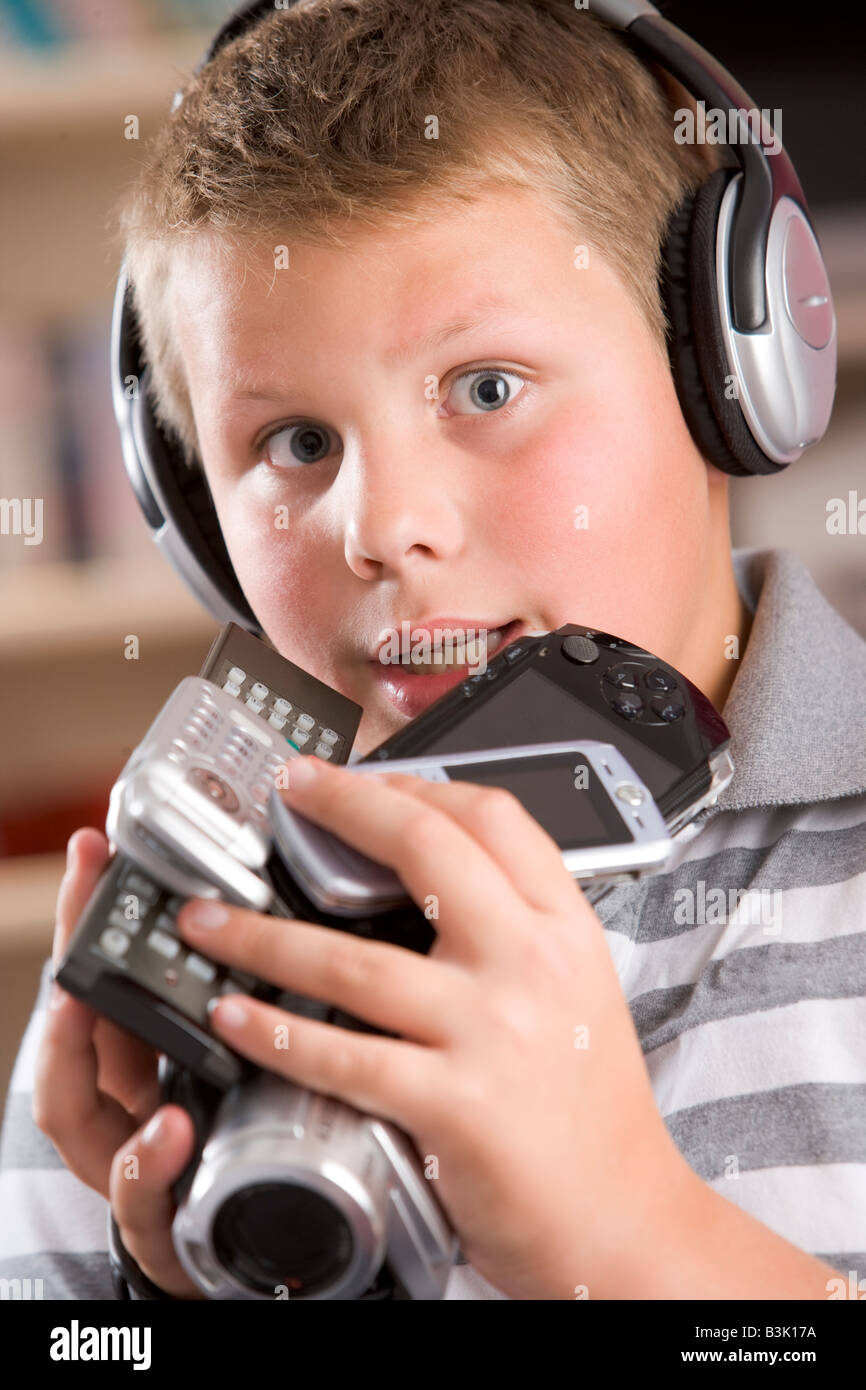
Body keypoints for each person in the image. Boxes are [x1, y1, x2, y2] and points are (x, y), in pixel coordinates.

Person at [1, 0, 864, 1300]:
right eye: (295, 443)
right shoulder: (203, 923)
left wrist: (635, 1240)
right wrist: (167, 1290)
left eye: (485, 389)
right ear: (192, 508)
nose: (384, 528)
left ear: (728, 377)